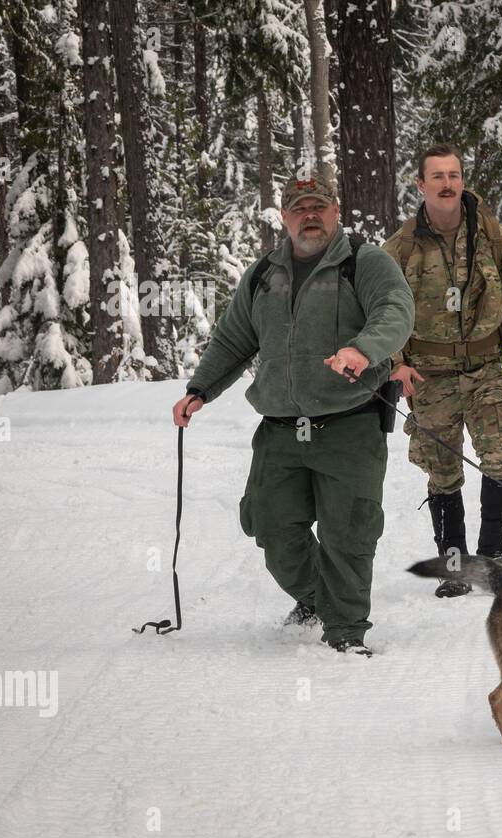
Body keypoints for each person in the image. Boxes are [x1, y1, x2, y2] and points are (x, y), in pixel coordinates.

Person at [171, 172, 415, 654]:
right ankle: (316, 599)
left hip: (350, 425)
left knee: (348, 532)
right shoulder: (264, 274)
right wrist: (200, 389)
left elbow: (395, 310)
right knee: (270, 525)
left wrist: (363, 350)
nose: (310, 215)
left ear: (336, 210)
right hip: (280, 430)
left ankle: (345, 631)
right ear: (284, 217)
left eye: (318, 206)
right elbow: (233, 338)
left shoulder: (364, 262)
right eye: (299, 207)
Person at [384, 144, 502, 597]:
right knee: (441, 469)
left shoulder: (494, 237)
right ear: (420, 185)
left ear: (463, 180)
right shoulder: (400, 248)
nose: (447, 184)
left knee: (500, 452)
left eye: (454, 175)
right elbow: (383, 312)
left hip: (485, 367)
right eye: (437, 176)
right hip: (429, 374)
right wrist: (396, 364)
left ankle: (493, 558)